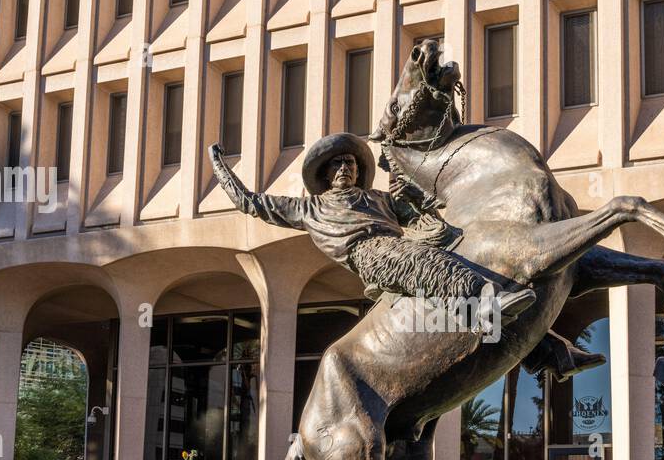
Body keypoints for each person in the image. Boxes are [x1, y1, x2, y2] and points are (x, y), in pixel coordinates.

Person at [209, 133, 536, 327]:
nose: (344, 168)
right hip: (369, 252)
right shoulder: (309, 208)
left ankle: (547, 352)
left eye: (349, 163)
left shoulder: (379, 198)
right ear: (325, 173)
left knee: (458, 248)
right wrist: (220, 167)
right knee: (414, 259)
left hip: (399, 241)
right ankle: (483, 302)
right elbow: (249, 202)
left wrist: (409, 188)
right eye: (336, 164)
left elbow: (418, 213)